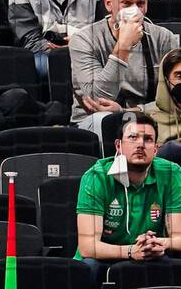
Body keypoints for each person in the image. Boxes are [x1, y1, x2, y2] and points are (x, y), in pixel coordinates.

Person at [70, 0, 178, 132]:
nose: (134, 11)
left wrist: (127, 112)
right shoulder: (84, 40)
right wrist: (124, 45)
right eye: (126, 4)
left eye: (140, 3)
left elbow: (174, 97)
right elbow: (99, 99)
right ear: (108, 4)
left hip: (146, 117)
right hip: (94, 120)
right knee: (104, 118)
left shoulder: (163, 38)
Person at [76, 113, 181, 272]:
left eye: (148, 139)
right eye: (133, 137)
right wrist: (131, 251)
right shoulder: (96, 177)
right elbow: (88, 247)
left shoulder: (172, 173)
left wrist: (159, 243)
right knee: (89, 267)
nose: (140, 144)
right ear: (118, 146)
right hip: (104, 258)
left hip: (150, 254)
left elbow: (178, 237)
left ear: (156, 150)